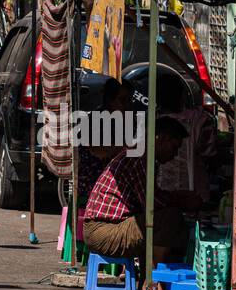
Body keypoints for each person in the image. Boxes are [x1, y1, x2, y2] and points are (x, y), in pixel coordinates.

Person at [81, 116, 198, 268]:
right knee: (170, 218)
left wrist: (176, 197)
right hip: (103, 231)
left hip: (107, 227)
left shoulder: (142, 155)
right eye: (174, 147)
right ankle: (153, 281)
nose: (175, 154)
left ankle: (150, 276)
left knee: (171, 225)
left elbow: (151, 197)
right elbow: (152, 202)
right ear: (162, 138)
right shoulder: (140, 157)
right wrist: (181, 199)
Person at [156, 71, 216, 205]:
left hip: (162, 193)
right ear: (182, 95)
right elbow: (209, 154)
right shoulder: (200, 121)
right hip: (194, 193)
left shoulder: (152, 121)